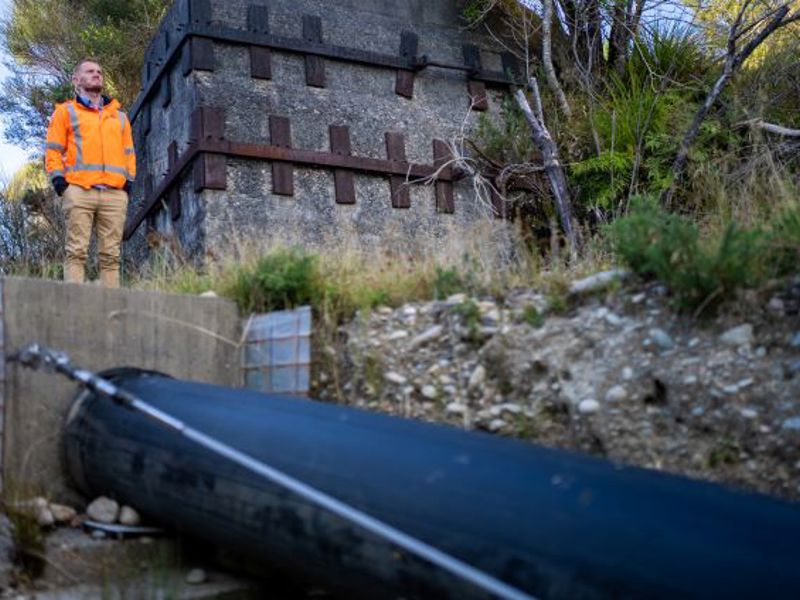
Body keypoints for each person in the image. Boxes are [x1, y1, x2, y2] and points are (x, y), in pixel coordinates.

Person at [45, 58, 136, 288]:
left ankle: (110, 313)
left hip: (115, 194)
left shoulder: (120, 117)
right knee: (76, 252)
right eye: (90, 71)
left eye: (99, 71)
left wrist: (128, 181)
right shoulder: (65, 112)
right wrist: (60, 182)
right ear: (76, 80)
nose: (97, 74)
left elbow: (129, 153)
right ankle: (75, 309)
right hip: (79, 191)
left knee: (111, 257)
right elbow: (53, 150)